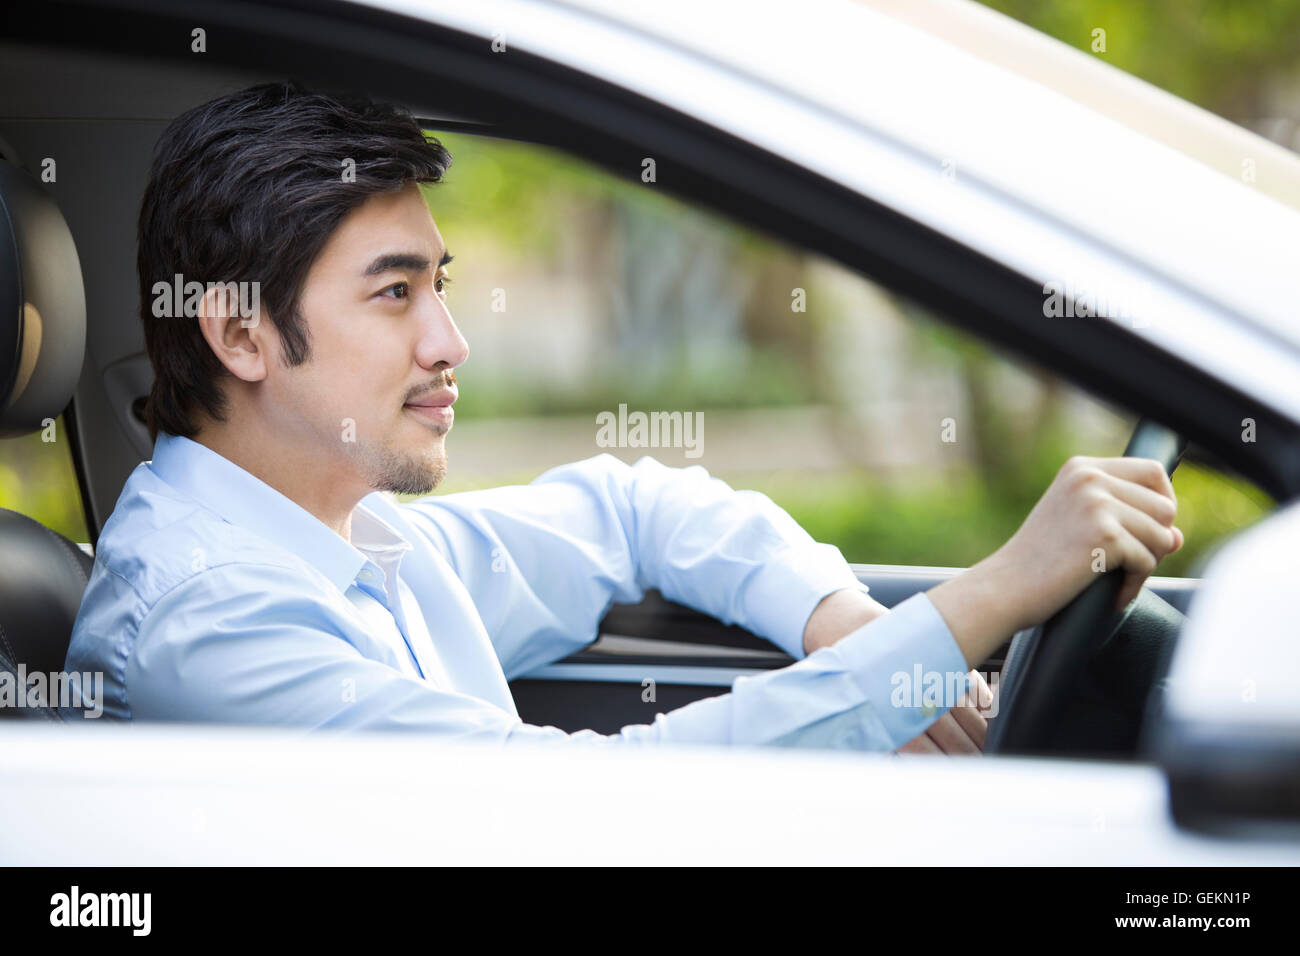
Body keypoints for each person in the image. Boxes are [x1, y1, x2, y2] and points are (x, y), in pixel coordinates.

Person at [62, 83, 1182, 753]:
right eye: (394, 291)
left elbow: (632, 509)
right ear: (241, 333)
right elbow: (575, 815)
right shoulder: (207, 622)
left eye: (439, 285)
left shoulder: (346, 532)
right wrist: (982, 601)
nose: (451, 340)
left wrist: (841, 616)